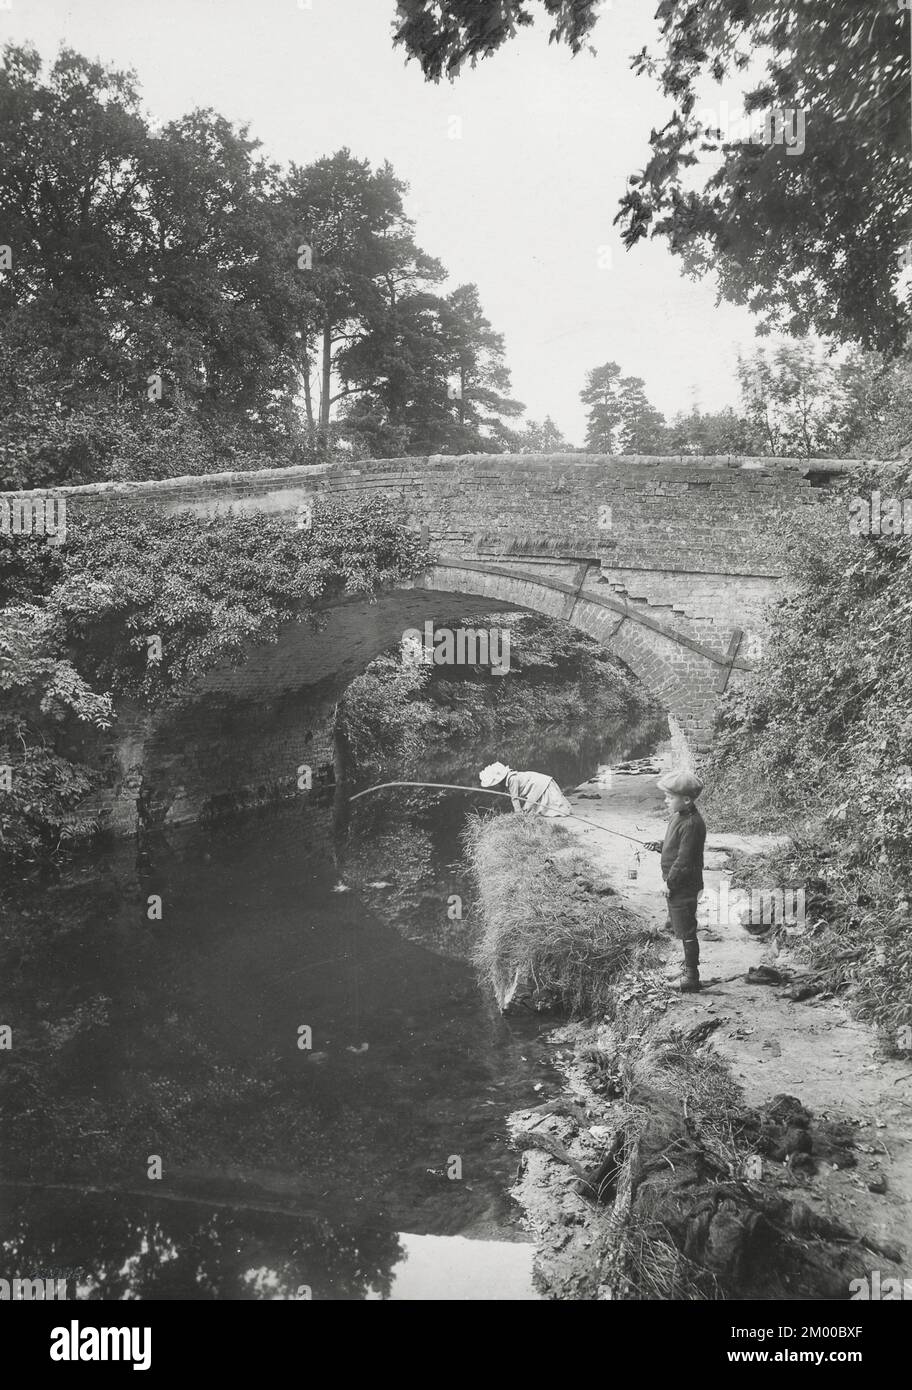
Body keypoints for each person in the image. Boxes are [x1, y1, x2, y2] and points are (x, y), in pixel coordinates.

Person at [644, 770, 706, 993]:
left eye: (670, 797)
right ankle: (687, 968)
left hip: (684, 886)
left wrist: (669, 883)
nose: (666, 800)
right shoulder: (679, 817)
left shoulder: (692, 824)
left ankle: (692, 977)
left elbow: (684, 860)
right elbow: (675, 845)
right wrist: (660, 845)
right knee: (681, 926)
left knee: (687, 930)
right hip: (678, 884)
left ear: (686, 799)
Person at [479, 762, 572, 817]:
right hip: (534, 784)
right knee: (531, 808)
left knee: (547, 806)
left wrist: (518, 812)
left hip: (539, 783)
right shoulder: (510, 778)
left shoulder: (512, 779)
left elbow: (514, 798)